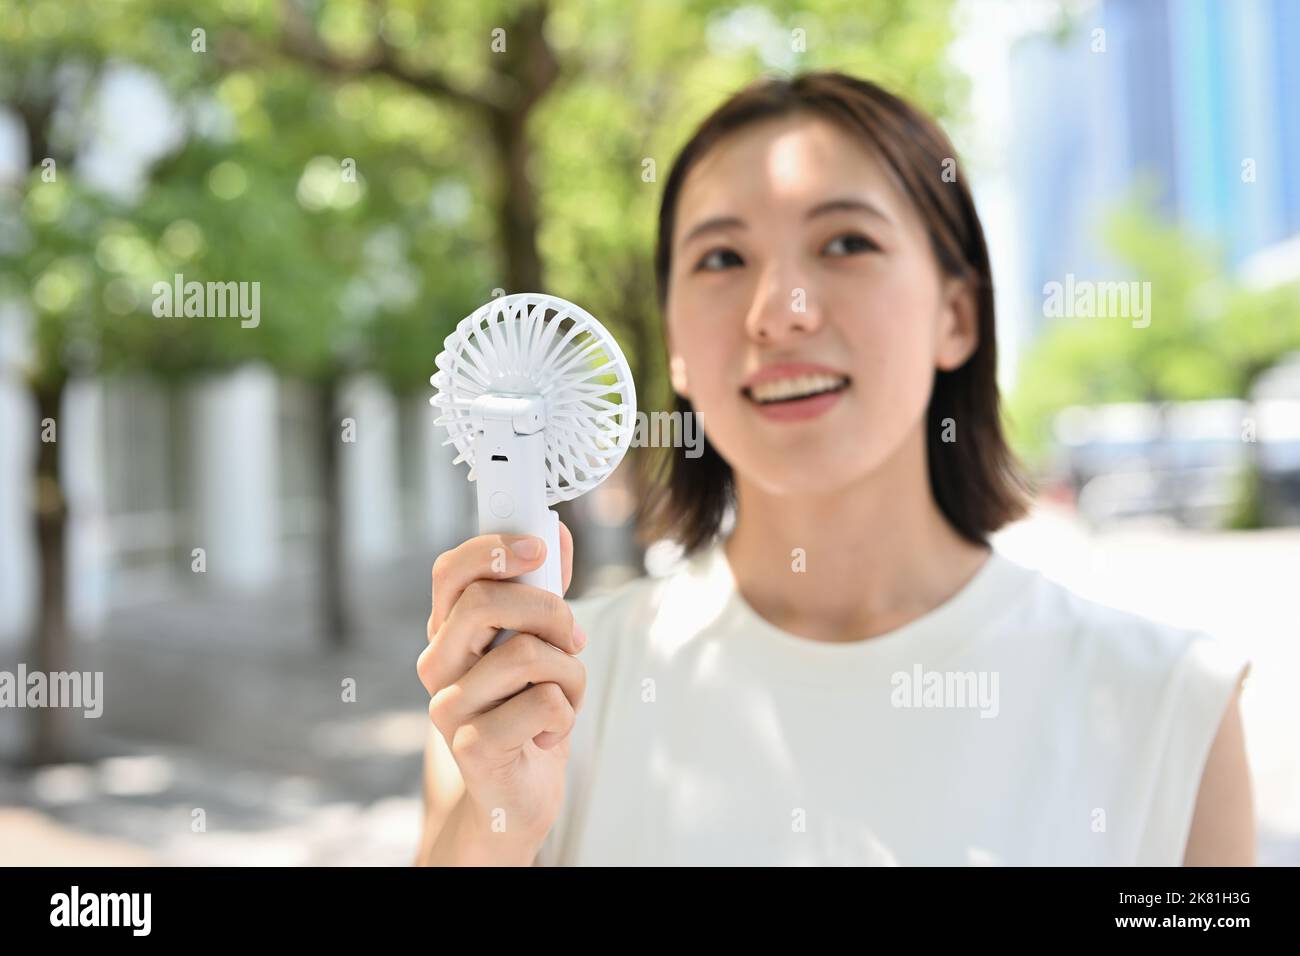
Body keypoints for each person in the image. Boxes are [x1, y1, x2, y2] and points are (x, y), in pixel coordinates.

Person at [414, 71, 1254, 866]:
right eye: (721, 258)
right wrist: (494, 829)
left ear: (956, 316)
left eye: (845, 242)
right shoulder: (531, 699)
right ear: (674, 344)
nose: (779, 311)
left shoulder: (1170, 705)